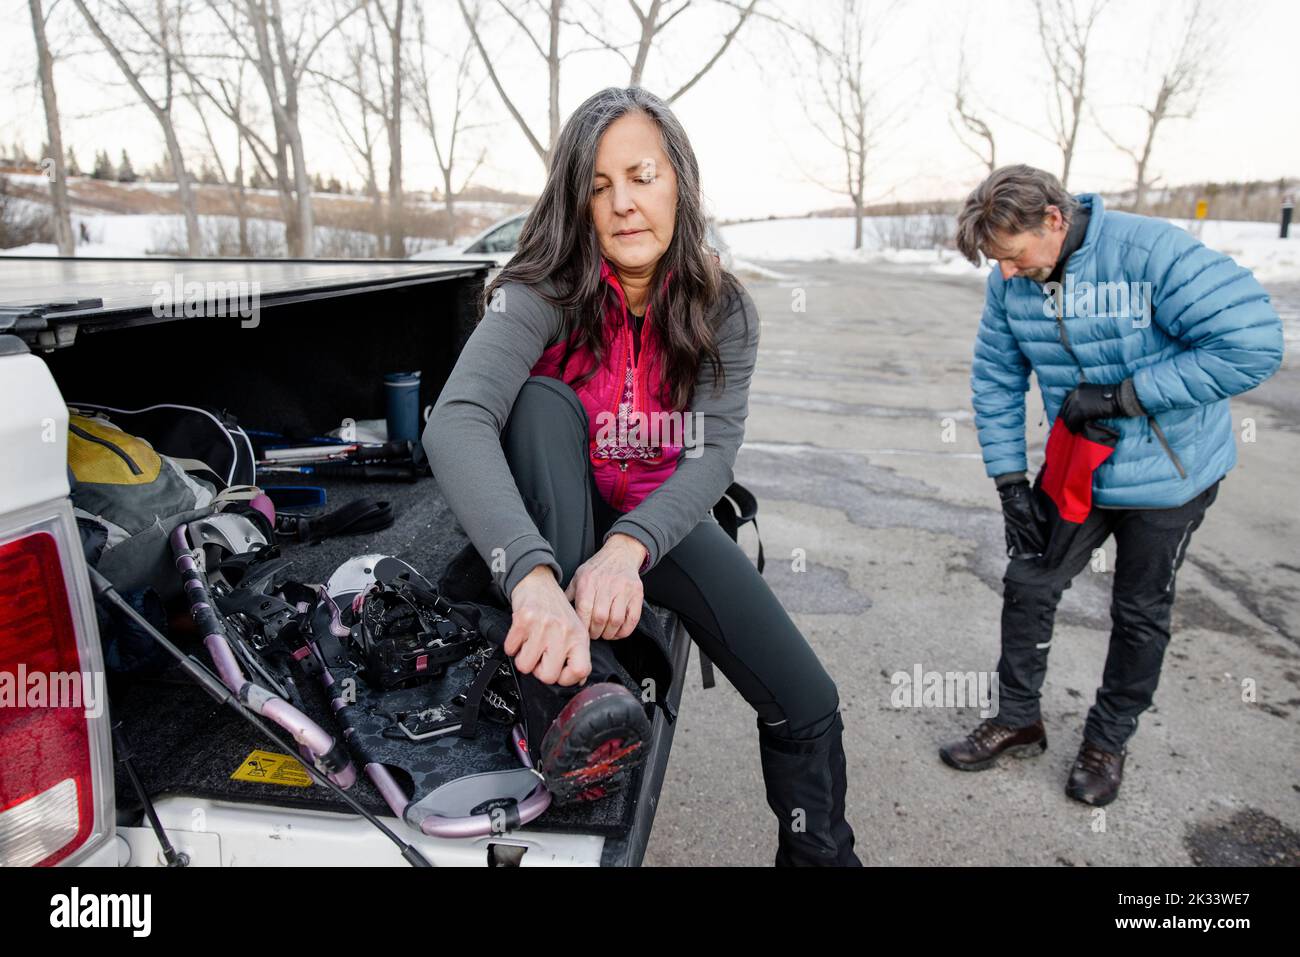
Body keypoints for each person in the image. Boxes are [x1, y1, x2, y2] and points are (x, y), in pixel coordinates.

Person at [423, 86, 860, 866]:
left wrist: (628, 548)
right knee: (540, 404)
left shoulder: (724, 309)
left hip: (658, 522)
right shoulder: (541, 292)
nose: (623, 203)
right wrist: (527, 574)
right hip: (551, 519)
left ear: (679, 183)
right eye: (597, 186)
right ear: (576, 203)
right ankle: (562, 685)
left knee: (808, 700)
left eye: (642, 175)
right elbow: (455, 422)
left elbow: (712, 453)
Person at [941, 164, 1284, 806]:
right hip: (1078, 469)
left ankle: (1107, 739)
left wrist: (1125, 395)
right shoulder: (1010, 281)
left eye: (1012, 256)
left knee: (1138, 610)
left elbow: (1253, 344)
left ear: (1054, 219)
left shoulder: (1151, 251)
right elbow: (996, 379)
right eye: (996, 261)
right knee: (1029, 582)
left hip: (1171, 474)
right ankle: (1018, 717)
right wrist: (1010, 480)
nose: (1006, 273)